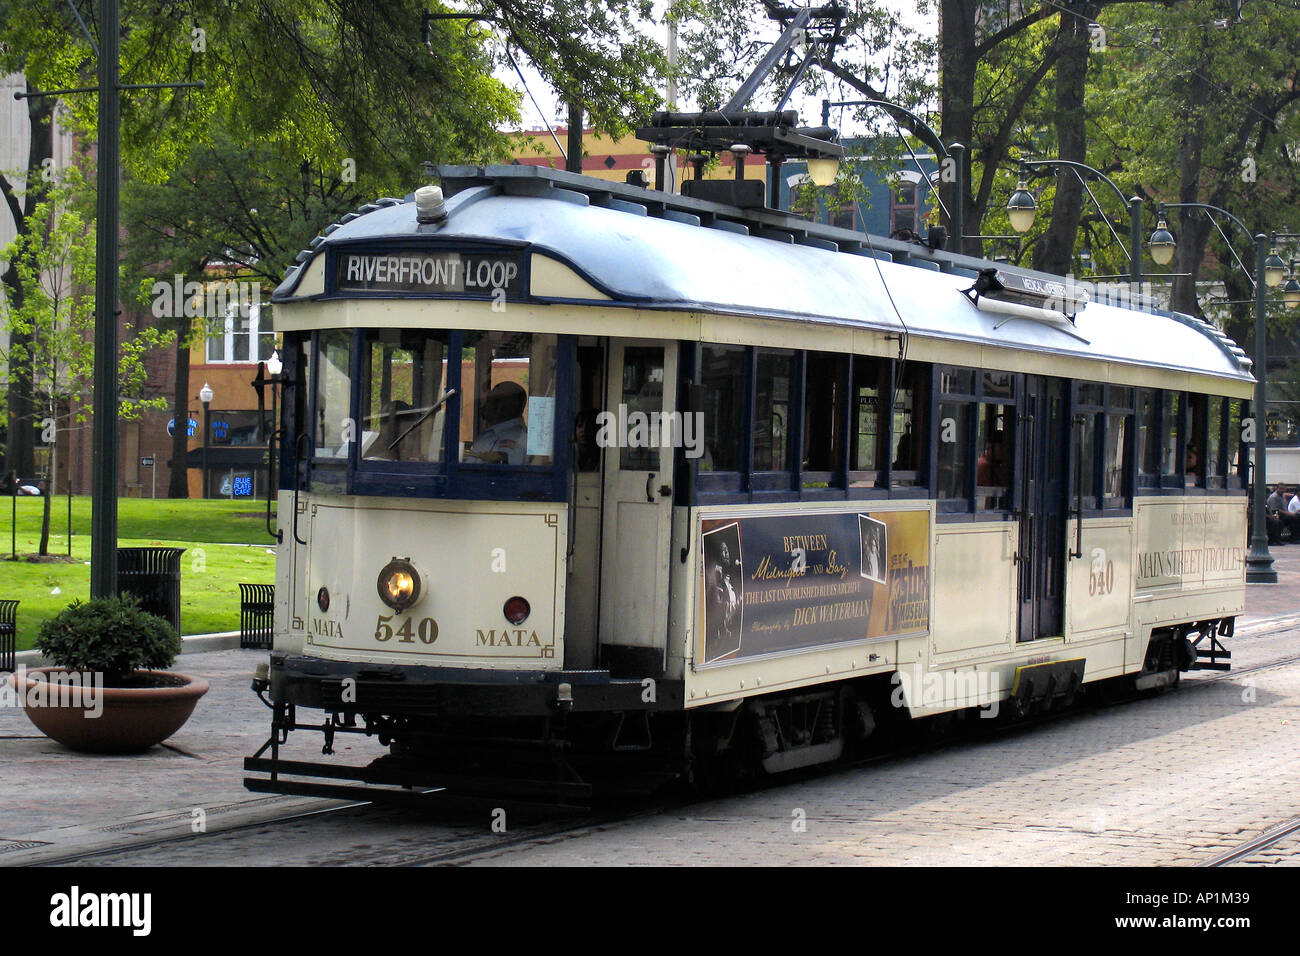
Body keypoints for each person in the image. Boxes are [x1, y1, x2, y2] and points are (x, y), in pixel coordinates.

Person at [466, 381, 528, 464]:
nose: (483, 405)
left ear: (502, 407)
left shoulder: (518, 440)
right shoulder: (489, 435)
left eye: (489, 400)